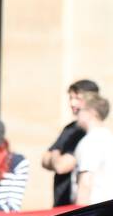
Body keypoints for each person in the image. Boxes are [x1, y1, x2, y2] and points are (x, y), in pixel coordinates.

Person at [41, 79, 99, 207]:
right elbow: (44, 160)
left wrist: (55, 152)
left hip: (76, 207)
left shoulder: (88, 133)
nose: (72, 103)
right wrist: (56, 157)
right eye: (70, 98)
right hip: (60, 203)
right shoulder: (70, 128)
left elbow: (61, 166)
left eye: (77, 98)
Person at [64, 95, 113, 205]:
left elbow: (86, 182)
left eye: (80, 110)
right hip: (106, 209)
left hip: (92, 210)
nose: (76, 114)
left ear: (91, 112)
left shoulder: (92, 140)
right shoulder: (108, 137)